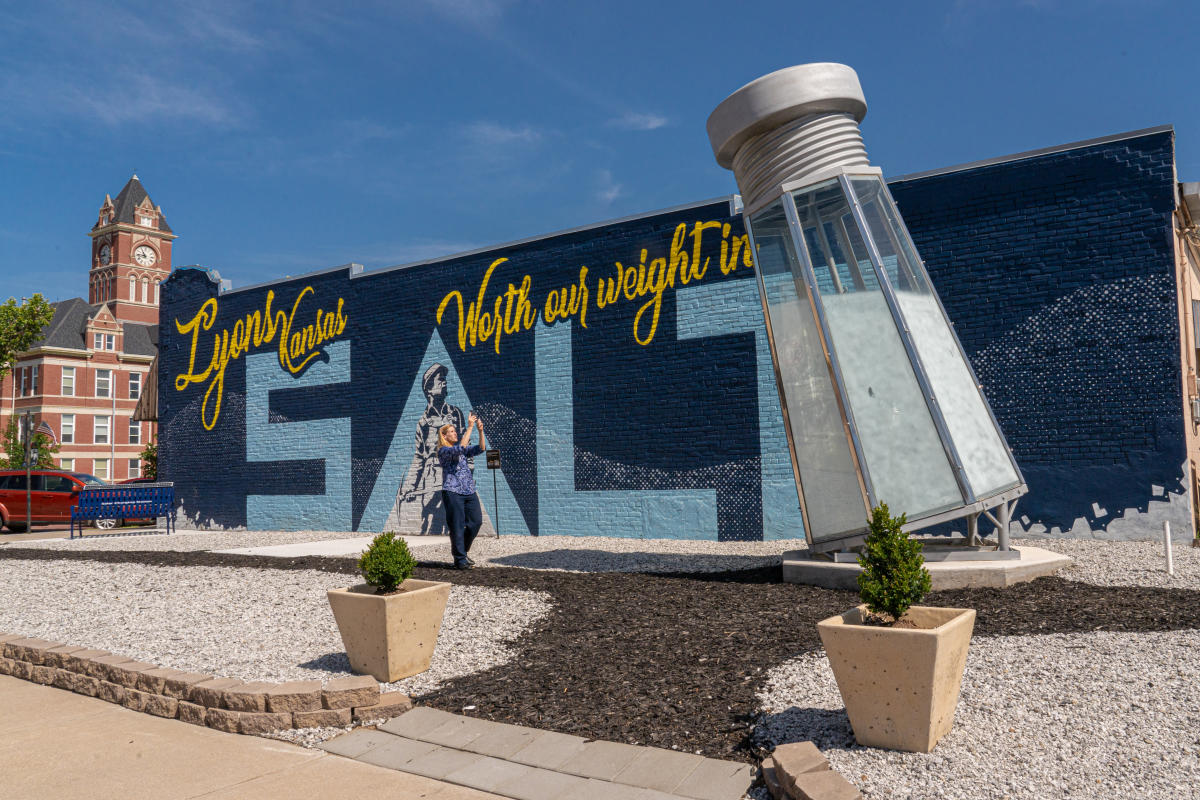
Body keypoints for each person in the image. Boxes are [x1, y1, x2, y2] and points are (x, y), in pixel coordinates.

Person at [387, 363, 464, 534]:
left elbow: (464, 445)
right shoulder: (423, 423)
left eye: (445, 380)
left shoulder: (455, 413)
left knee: (455, 520)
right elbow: (419, 458)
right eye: (440, 380)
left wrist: (468, 471)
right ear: (429, 389)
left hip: (453, 474)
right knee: (431, 523)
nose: (444, 383)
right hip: (431, 480)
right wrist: (410, 487)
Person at [438, 412, 486, 569]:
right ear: (444, 436)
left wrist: (480, 431)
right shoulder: (444, 451)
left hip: (469, 491)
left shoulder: (462, 449)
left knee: (476, 521)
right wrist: (470, 426)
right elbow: (461, 448)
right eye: (451, 431)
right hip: (452, 492)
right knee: (457, 525)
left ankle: (462, 552)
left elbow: (481, 448)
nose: (454, 433)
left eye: (454, 431)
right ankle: (460, 559)